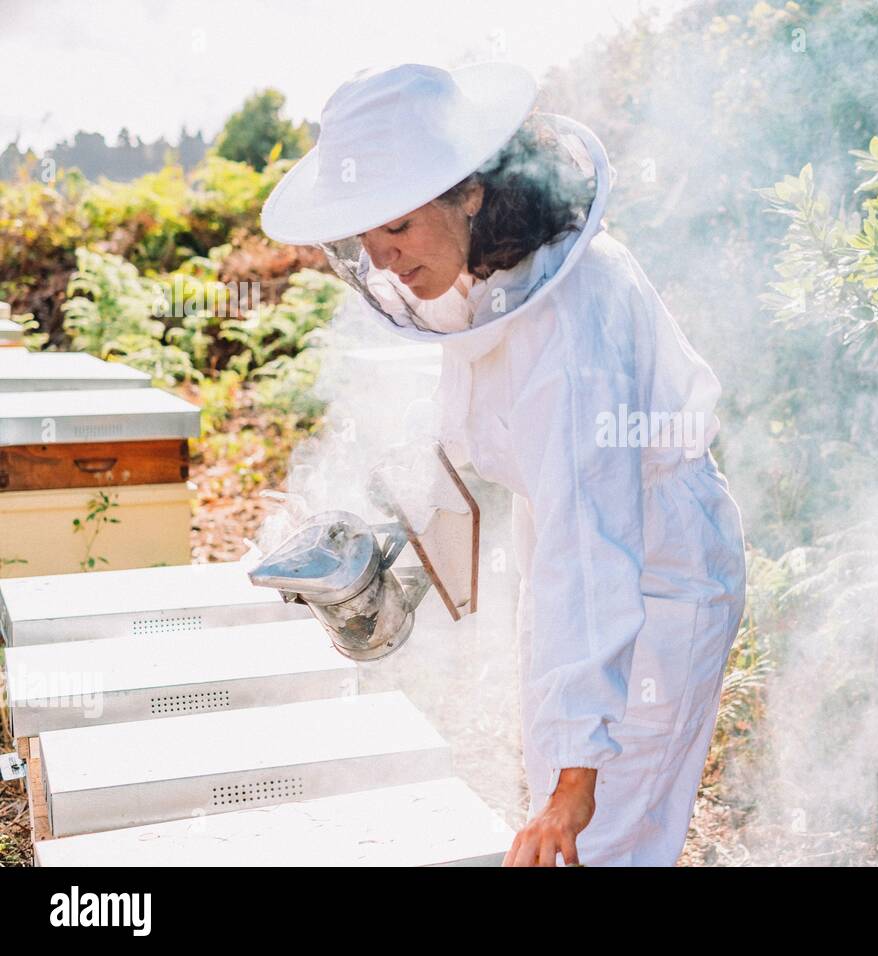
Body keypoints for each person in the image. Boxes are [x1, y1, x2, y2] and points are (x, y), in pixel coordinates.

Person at [260, 62, 746, 866]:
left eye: (398, 228)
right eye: (365, 239)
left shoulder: (573, 319)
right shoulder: (489, 279)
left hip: (657, 572)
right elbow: (484, 459)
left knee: (605, 836)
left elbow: (593, 549)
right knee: (555, 808)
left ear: (470, 191)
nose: (381, 260)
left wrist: (576, 781)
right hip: (576, 556)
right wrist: (396, 572)